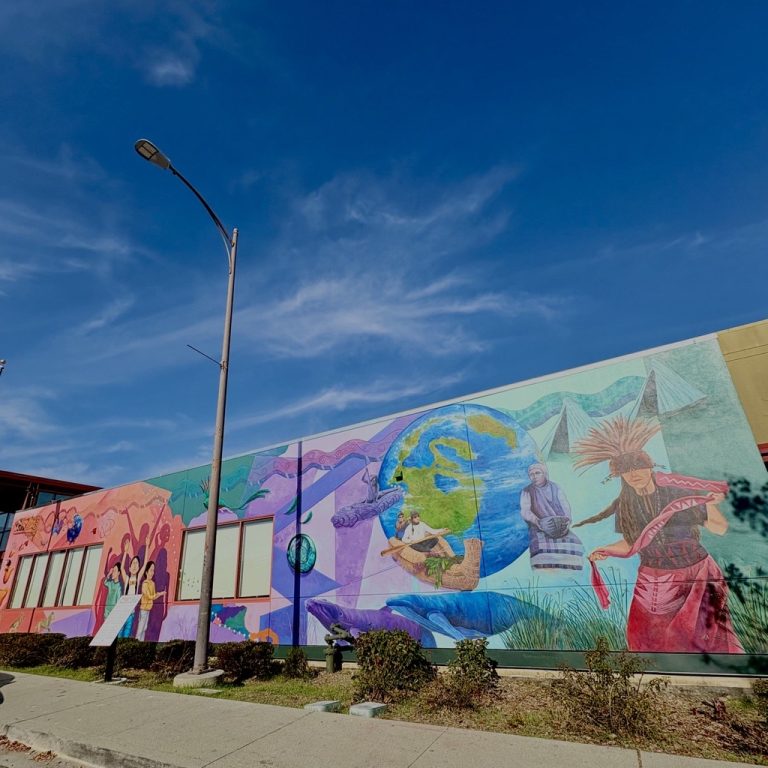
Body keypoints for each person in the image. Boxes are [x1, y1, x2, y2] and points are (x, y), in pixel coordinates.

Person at [572, 416, 743, 654]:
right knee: (642, 634)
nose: (634, 474)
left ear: (650, 466)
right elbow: (633, 543)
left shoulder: (677, 493)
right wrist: (606, 550)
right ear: (620, 475)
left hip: (698, 572)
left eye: (639, 466)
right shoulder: (626, 505)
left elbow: (719, 528)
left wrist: (713, 504)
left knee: (706, 636)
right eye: (626, 470)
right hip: (655, 577)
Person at [519, 462, 583, 570]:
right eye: (531, 474)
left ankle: (569, 568)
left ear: (544, 473)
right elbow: (525, 511)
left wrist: (567, 520)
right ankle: (544, 571)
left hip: (559, 525)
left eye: (537, 473)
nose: (534, 476)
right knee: (541, 547)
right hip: (538, 526)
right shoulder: (527, 491)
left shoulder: (555, 487)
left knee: (576, 543)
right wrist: (537, 521)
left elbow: (565, 505)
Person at [136, 561, 165, 642]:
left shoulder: (152, 583)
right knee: (141, 628)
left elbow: (153, 596)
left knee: (144, 627)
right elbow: (149, 596)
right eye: (151, 570)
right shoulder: (145, 584)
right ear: (146, 572)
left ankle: (141, 643)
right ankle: (137, 642)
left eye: (153, 570)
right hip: (144, 609)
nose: (152, 573)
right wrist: (159, 594)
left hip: (148, 608)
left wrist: (159, 594)